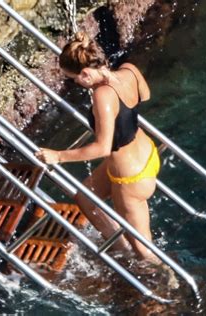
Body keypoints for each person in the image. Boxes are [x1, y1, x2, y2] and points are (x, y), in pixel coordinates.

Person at [35, 32, 160, 262]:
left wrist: (58, 156)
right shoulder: (129, 69)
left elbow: (102, 148)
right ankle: (121, 249)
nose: (76, 83)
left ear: (85, 73)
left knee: (145, 251)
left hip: (130, 178)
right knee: (85, 197)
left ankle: (169, 287)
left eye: (74, 79)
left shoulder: (102, 95)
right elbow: (146, 95)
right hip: (146, 153)